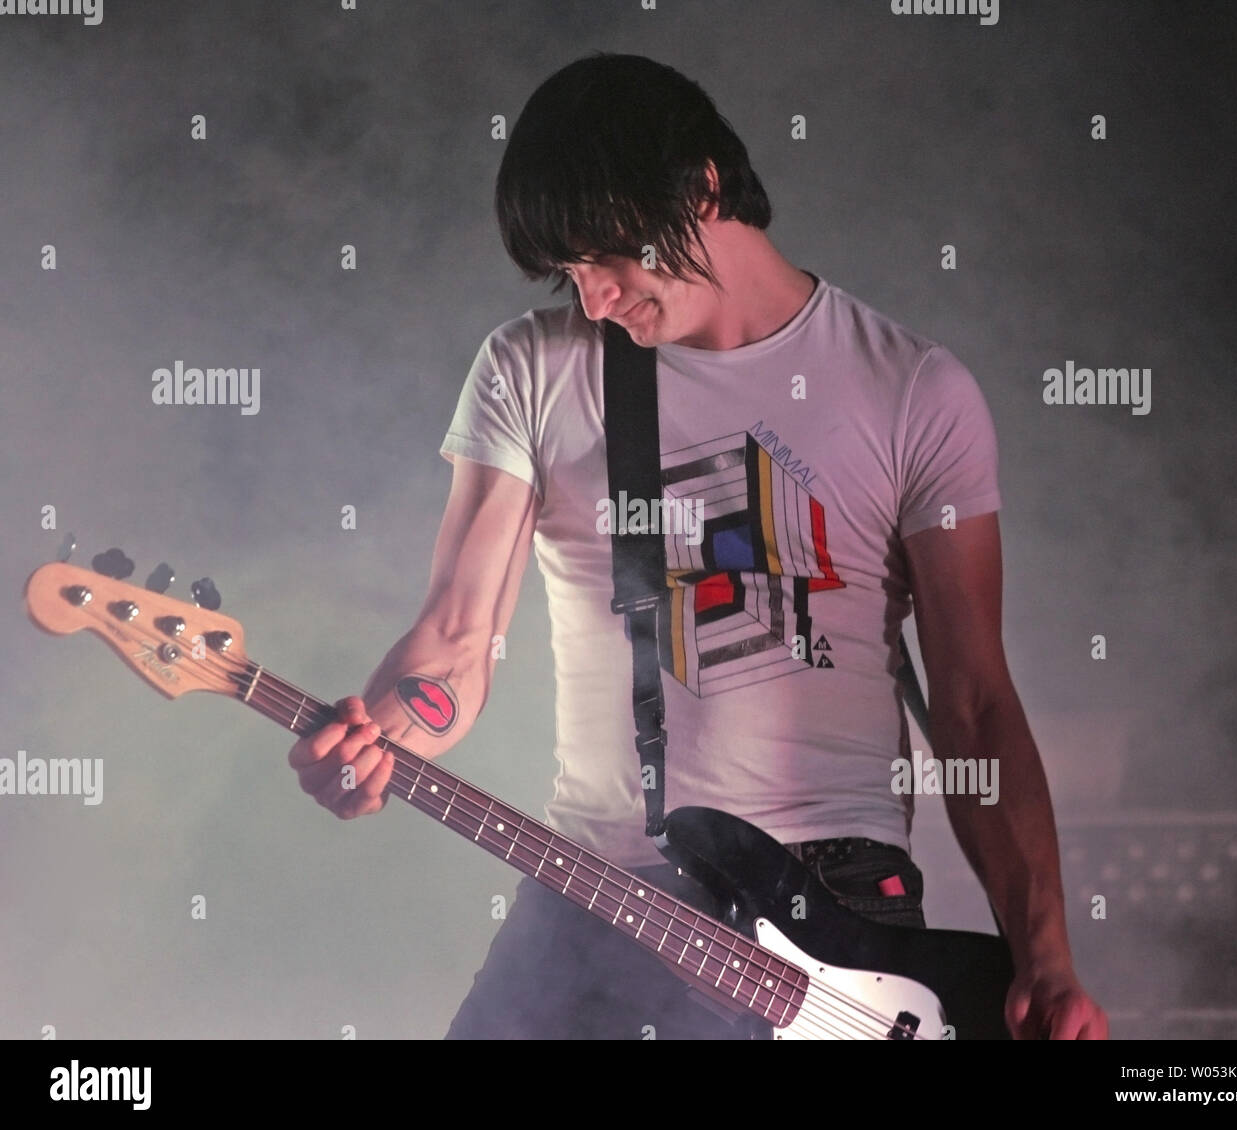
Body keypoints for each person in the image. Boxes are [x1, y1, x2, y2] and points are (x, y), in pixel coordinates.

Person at [287, 52, 1107, 1041]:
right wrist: (376, 741)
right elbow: (455, 642)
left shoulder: (913, 391)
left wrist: (1047, 954)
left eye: (606, 259)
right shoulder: (532, 371)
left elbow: (974, 699)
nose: (589, 300)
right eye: (567, 274)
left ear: (699, 188)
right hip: (603, 893)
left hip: (841, 921)